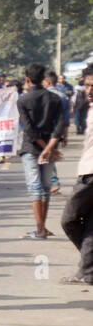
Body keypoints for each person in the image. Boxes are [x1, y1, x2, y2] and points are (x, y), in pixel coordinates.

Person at [17, 62, 63, 238]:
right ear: (43, 79)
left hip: (31, 148)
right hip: (50, 147)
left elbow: (29, 129)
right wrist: (50, 148)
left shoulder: (23, 100)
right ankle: (42, 227)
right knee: (44, 187)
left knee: (36, 188)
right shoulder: (55, 99)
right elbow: (59, 126)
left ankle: (40, 228)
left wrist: (45, 148)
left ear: (28, 80)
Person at [59, 65, 93, 285]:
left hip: (90, 175)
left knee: (69, 219)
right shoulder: (90, 108)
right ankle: (88, 271)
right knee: (90, 224)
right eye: (87, 85)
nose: (89, 90)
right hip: (87, 169)